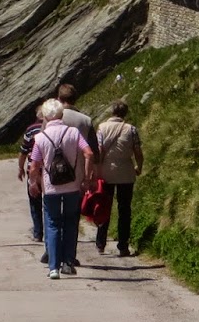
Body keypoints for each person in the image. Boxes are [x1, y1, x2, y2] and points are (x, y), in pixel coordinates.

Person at [29, 98, 91, 279]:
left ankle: (53, 267)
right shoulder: (74, 132)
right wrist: (86, 178)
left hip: (51, 187)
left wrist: (34, 183)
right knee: (71, 223)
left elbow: (34, 165)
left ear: (46, 118)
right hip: (72, 185)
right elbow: (88, 153)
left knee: (53, 224)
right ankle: (68, 263)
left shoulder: (40, 138)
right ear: (61, 114)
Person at [94, 100, 144, 256]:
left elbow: (99, 150)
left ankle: (101, 243)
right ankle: (123, 246)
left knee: (104, 207)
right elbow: (138, 152)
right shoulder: (131, 129)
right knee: (124, 209)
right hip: (126, 172)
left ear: (111, 112)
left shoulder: (102, 128)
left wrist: (97, 169)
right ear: (125, 113)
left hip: (106, 172)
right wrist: (139, 167)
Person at [16, 106, 48, 250]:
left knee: (34, 201)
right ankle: (49, 230)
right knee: (48, 202)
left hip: (33, 169)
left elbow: (23, 151)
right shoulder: (50, 128)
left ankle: (37, 232)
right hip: (48, 170)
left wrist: (20, 168)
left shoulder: (30, 129)